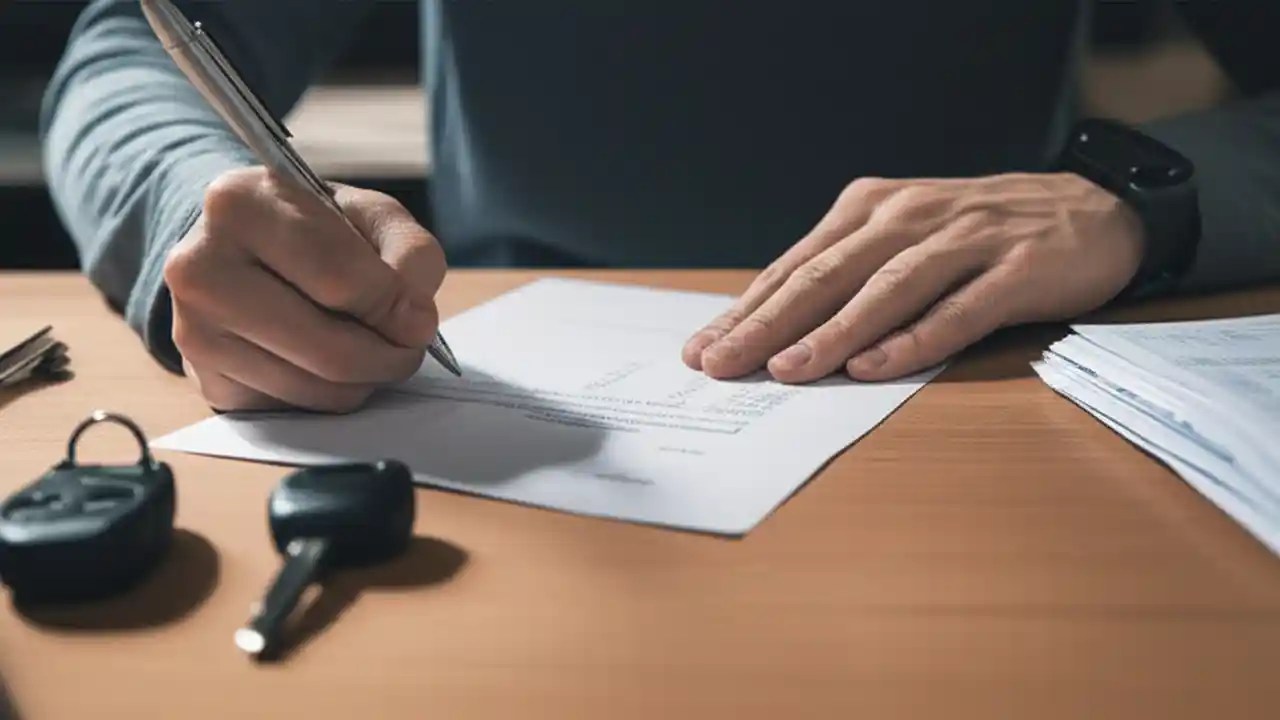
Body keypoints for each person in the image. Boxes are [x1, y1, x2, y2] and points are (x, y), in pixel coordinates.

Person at [41, 1, 1280, 413]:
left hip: (990, 377)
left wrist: (1135, 196)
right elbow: (130, 47)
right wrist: (191, 208)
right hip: (488, 385)